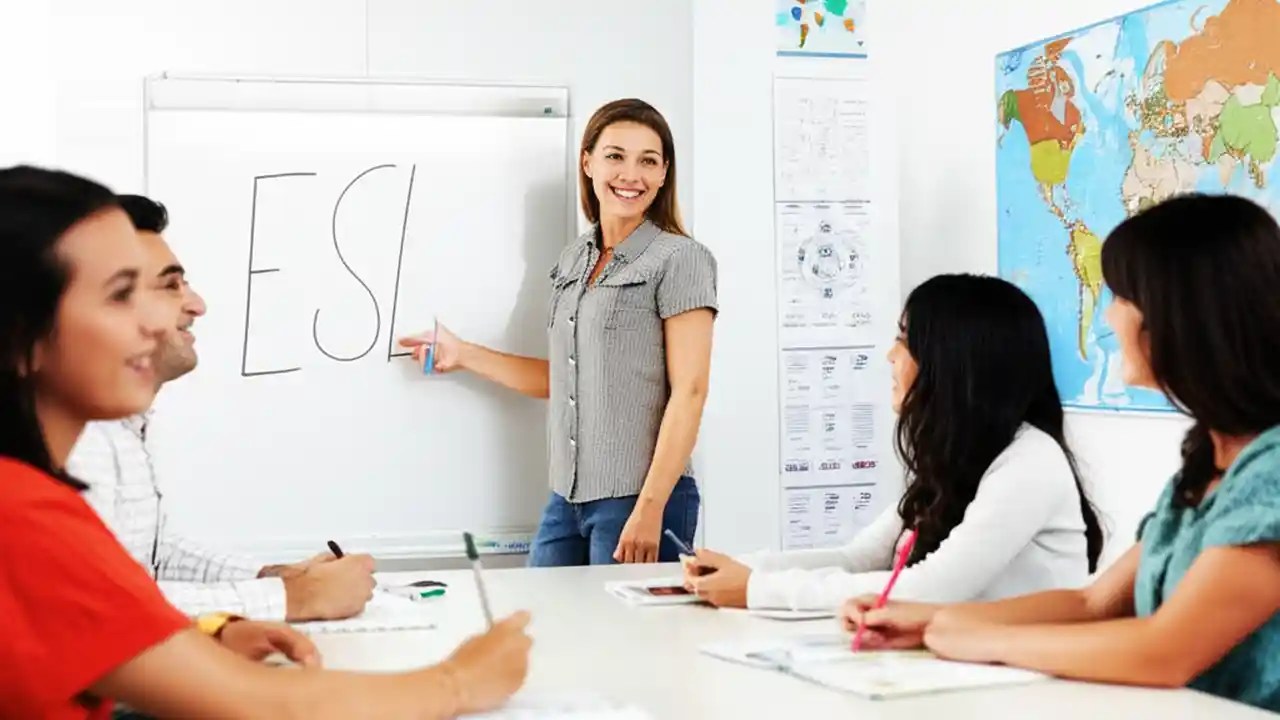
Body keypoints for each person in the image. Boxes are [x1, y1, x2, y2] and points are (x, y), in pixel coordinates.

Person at [0, 165, 532, 718]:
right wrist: (461, 681)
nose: (160, 322)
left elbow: (105, 620)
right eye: (119, 296)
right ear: (20, 337)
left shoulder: (42, 496)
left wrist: (207, 635)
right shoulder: (21, 517)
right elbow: (266, 705)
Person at [843, 195, 1280, 712]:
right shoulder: (1209, 463)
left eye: (1123, 296)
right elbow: (1093, 602)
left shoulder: (1270, 473)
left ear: (1181, 315)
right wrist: (930, 622)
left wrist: (986, 642)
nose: (1110, 315)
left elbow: (1164, 650)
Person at [400, 99, 718, 567]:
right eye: (615, 156)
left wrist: (650, 509)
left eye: (648, 160)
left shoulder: (680, 259)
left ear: (664, 173)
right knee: (547, 630)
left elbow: (690, 392)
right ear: (587, 162)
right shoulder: (574, 260)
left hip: (641, 499)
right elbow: (564, 380)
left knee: (627, 640)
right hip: (567, 500)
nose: (631, 174)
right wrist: (462, 353)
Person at [682, 274, 1103, 610]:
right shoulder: (963, 456)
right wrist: (747, 568)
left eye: (903, 340)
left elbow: (933, 586)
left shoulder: (1030, 463)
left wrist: (759, 590)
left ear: (953, 363)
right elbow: (858, 559)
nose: (890, 355)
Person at [62, 193, 375, 623]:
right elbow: (92, 605)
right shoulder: (75, 440)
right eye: (171, 285)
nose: (197, 304)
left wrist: (273, 577)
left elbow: (146, 557)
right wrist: (290, 599)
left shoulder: (118, 423)